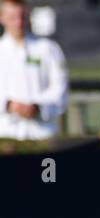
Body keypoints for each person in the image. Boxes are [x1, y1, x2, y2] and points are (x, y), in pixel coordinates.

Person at [0, 0, 68, 141]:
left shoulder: (48, 48)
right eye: (13, 17)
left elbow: (60, 90)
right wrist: (9, 105)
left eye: (22, 16)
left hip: (43, 136)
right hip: (6, 136)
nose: (19, 22)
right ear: (2, 17)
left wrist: (37, 107)